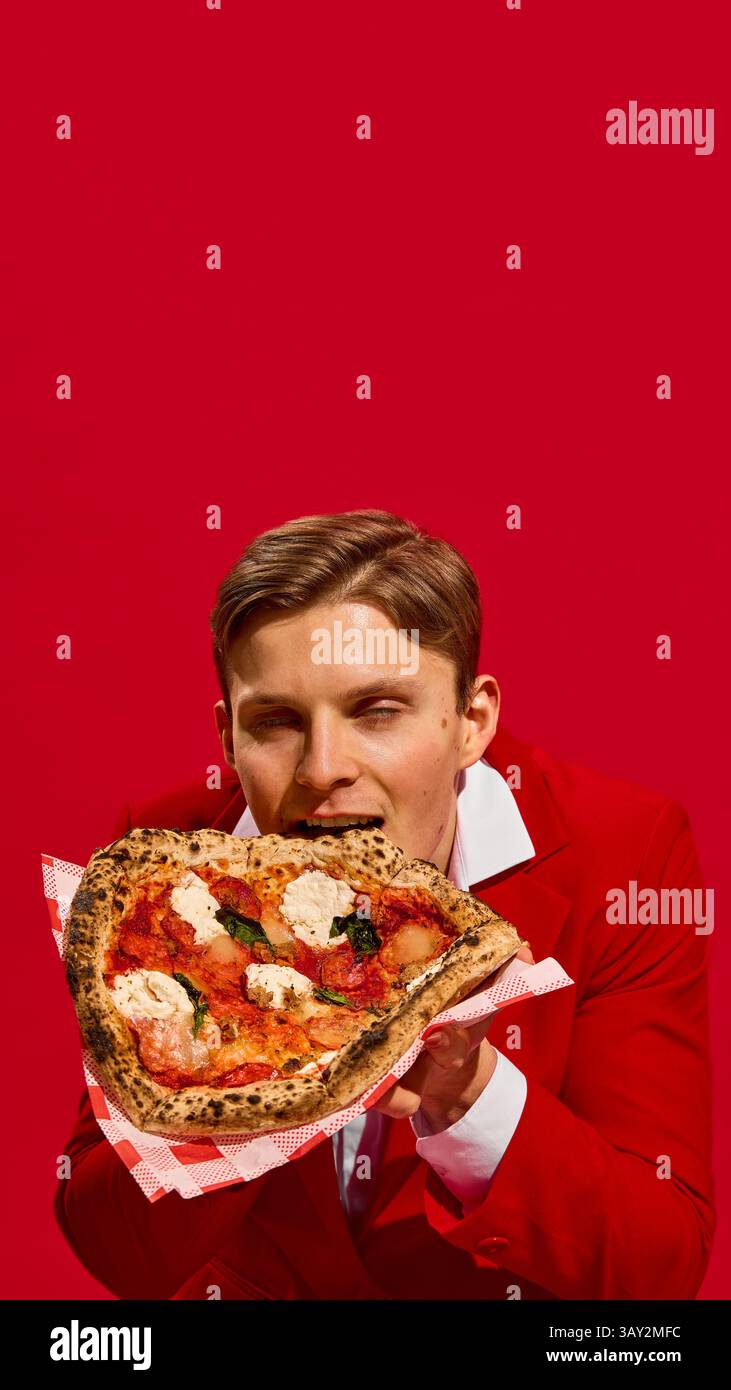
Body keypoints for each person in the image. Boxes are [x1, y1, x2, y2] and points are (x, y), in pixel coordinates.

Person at [54, 509, 715, 1300]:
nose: (322, 768)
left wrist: (465, 1095)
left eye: (376, 712)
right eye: (276, 721)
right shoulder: (164, 882)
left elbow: (658, 1266)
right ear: (228, 738)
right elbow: (118, 1249)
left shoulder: (619, 855)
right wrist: (249, 1062)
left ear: (471, 721)